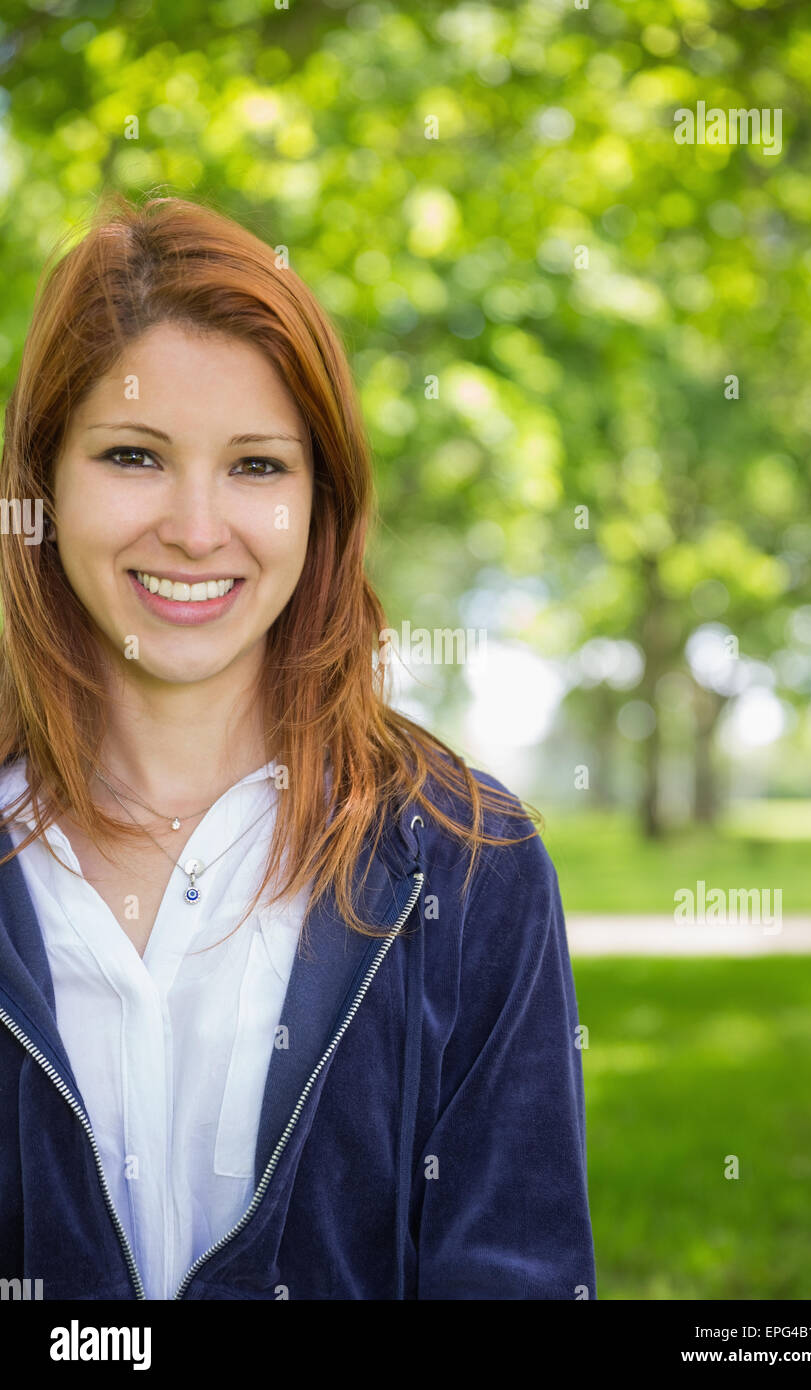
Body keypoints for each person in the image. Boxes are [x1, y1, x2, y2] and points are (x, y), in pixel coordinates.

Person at [0, 191, 596, 1301]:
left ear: (323, 502)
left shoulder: (469, 862)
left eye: (257, 466)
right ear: (38, 487)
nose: (192, 525)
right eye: (133, 455)